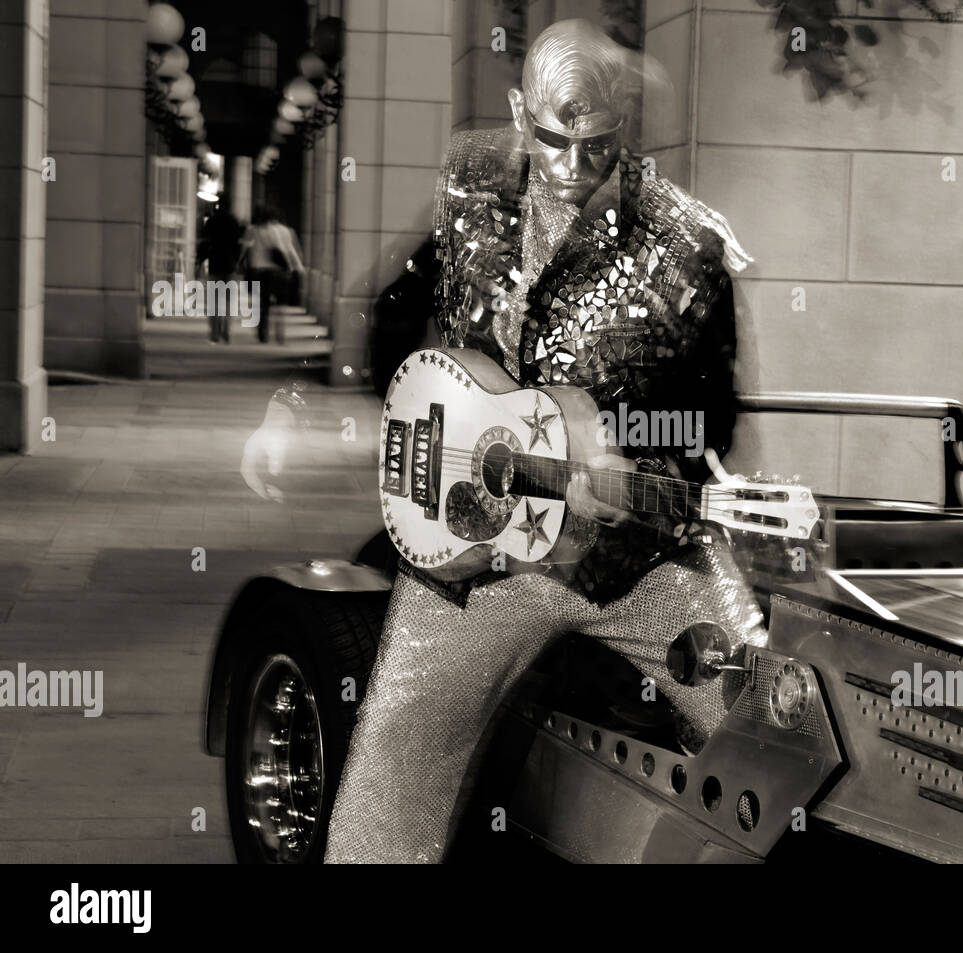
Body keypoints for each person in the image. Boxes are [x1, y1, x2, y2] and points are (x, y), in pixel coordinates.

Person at [319, 18, 763, 863]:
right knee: (388, 781)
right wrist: (428, 421)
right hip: (474, 559)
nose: (571, 167)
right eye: (554, 140)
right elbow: (395, 322)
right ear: (521, 112)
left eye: (596, 143)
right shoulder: (472, 188)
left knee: (765, 721)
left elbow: (714, 422)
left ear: (621, 123)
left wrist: (624, 449)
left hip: (634, 558)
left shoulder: (687, 243)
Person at [242, 205, 305, 343]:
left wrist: (242, 263)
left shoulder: (253, 230)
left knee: (262, 303)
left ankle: (262, 333)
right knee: (281, 302)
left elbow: (245, 248)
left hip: (258, 271)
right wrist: (297, 266)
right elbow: (289, 250)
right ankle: (280, 332)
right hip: (278, 270)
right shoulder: (285, 231)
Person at [196, 204, 243, 343]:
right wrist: (237, 262)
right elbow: (238, 244)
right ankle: (226, 331)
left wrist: (200, 260)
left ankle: (215, 333)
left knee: (213, 300)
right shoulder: (234, 222)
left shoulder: (212, 221)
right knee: (229, 301)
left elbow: (204, 242)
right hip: (230, 265)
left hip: (215, 263)